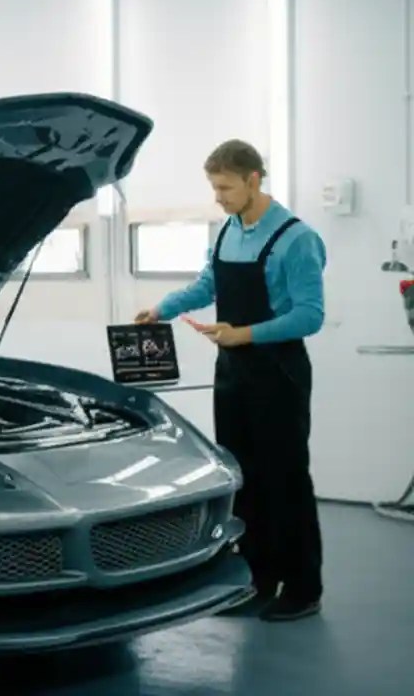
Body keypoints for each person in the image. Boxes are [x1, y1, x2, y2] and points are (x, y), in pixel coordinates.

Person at [135, 139, 327, 622]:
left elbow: (310, 315)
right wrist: (162, 308)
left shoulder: (296, 239)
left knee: (286, 479)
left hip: (279, 373)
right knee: (244, 477)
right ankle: (258, 579)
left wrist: (243, 333)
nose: (217, 198)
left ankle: (303, 588)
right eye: (214, 188)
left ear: (253, 180)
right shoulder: (227, 231)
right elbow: (208, 286)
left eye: (224, 188)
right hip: (233, 372)